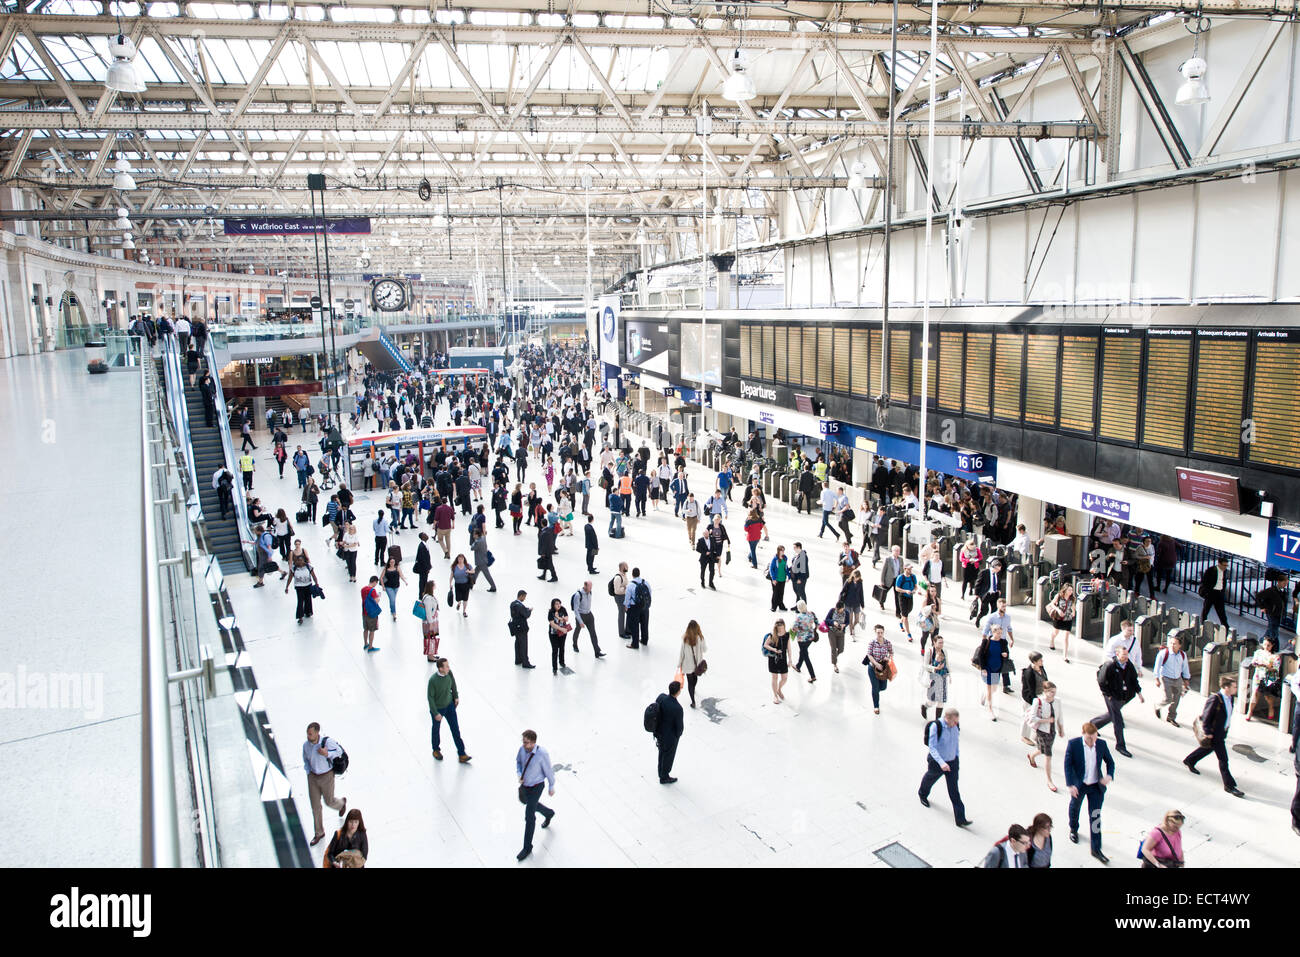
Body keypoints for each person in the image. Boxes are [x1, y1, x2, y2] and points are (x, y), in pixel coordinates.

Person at [1183, 675, 1245, 796]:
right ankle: (1229, 785)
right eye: (1234, 686)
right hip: (1215, 734)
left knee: (1207, 749)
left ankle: (1190, 760)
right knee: (1223, 759)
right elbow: (1206, 716)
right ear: (1226, 687)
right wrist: (1208, 732)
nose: (1236, 689)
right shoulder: (1215, 699)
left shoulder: (1230, 698)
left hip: (1222, 732)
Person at [1064, 722, 1115, 863]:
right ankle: (1073, 828)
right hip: (1079, 785)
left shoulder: (1101, 744)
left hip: (1095, 786)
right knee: (1075, 807)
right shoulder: (1074, 744)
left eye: (1094, 737)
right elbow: (1068, 765)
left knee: (1095, 816)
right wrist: (1070, 784)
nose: (1092, 741)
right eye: (1089, 738)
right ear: (1083, 734)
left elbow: (1110, 762)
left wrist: (1109, 776)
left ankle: (1096, 849)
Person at [918, 708, 972, 827]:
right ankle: (922, 793)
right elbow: (932, 748)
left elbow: (955, 743)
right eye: (954, 721)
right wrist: (942, 763)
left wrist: (956, 757)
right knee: (930, 778)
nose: (956, 724)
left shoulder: (955, 726)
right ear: (947, 719)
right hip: (938, 762)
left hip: (952, 762)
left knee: (954, 790)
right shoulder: (936, 727)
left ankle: (960, 818)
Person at [1093, 644, 1143, 758]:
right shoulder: (1110, 665)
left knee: (1112, 715)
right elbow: (1101, 681)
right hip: (1112, 696)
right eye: (1123, 654)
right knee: (1118, 720)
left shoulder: (1129, 665)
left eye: (1127, 654)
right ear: (1117, 654)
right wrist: (1108, 695)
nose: (1126, 656)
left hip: (1123, 696)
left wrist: (1139, 693)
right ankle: (1120, 745)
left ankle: (1093, 725)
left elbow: (1133, 680)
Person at [302, 722, 347, 847]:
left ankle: (341, 804)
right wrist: (308, 771)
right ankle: (319, 833)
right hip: (312, 777)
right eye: (307, 733)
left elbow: (339, 751)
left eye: (310, 733)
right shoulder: (306, 745)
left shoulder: (326, 742)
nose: (308, 735)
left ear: (317, 733)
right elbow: (305, 759)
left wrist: (327, 753)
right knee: (315, 806)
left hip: (326, 775)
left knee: (329, 801)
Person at [515, 729, 555, 861]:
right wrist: (519, 773)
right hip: (526, 786)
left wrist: (551, 785)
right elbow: (518, 762)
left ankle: (527, 847)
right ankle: (548, 813)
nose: (523, 745)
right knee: (529, 804)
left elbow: (548, 770)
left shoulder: (542, 754)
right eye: (523, 741)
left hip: (537, 786)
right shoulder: (522, 750)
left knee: (529, 815)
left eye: (526, 742)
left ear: (533, 743)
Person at [428, 657, 471, 763]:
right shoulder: (433, 680)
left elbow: (453, 684)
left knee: (455, 729)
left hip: (449, 706)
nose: (448, 668)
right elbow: (430, 698)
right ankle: (436, 750)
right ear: (440, 669)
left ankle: (462, 754)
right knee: (436, 730)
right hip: (438, 709)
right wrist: (435, 712)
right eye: (446, 666)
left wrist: (456, 696)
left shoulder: (449, 673)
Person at [1025, 681, 1065, 792]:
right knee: (1048, 755)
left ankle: (1032, 756)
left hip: (1052, 731)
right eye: (1051, 692)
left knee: (1043, 750)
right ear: (1045, 691)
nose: (1053, 694)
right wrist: (1046, 720)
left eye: (1054, 692)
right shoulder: (1038, 701)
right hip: (1042, 731)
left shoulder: (1057, 701)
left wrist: (1061, 728)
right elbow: (1032, 718)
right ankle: (1049, 780)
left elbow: (1060, 715)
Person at [972, 624, 1009, 721]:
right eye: (998, 633)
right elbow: (981, 655)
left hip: (997, 668)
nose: (1000, 635)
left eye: (1001, 633)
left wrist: (1005, 654)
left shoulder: (1003, 642)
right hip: (987, 668)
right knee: (989, 689)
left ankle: (984, 695)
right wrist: (983, 668)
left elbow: (1006, 652)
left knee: (994, 689)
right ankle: (990, 709)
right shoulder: (986, 641)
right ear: (993, 632)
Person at [1153, 636, 1191, 727]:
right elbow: (1157, 667)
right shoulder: (1163, 653)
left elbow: (1185, 667)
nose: (1172, 645)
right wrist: (1156, 679)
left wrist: (1186, 679)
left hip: (1177, 679)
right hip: (1166, 678)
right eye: (1171, 643)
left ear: (1179, 645)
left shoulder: (1182, 655)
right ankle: (1157, 706)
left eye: (1174, 643)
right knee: (1168, 698)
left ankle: (1171, 717)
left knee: (1176, 700)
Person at [653, 681, 685, 784]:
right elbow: (679, 727)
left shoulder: (661, 697)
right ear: (678, 692)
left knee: (661, 752)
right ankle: (664, 776)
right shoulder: (678, 708)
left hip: (659, 732)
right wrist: (677, 735)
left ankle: (660, 771)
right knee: (668, 756)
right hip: (670, 736)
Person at [1246, 635, 1282, 722]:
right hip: (1258, 676)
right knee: (1255, 694)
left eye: (1268, 645)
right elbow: (1253, 662)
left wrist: (1265, 665)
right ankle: (1249, 712)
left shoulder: (1275, 656)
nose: (1266, 647)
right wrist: (1260, 664)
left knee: (1268, 696)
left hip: (1268, 678)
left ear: (1272, 645)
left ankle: (1271, 708)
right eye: (1265, 644)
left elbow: (1276, 668)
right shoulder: (1258, 652)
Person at [863, 623, 894, 715]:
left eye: (881, 632)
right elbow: (869, 654)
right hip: (873, 668)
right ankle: (876, 706)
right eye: (878, 633)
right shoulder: (872, 643)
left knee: (883, 687)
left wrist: (888, 658)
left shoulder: (887, 643)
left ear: (883, 632)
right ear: (875, 632)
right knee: (875, 687)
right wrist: (876, 663)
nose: (880, 634)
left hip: (883, 669)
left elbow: (891, 653)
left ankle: (875, 691)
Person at [677, 620, 708, 708]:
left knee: (690, 683)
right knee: (694, 680)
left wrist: (679, 665)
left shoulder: (685, 639)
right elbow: (705, 650)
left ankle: (693, 701)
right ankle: (693, 689)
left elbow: (681, 653)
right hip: (697, 665)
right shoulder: (700, 638)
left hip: (687, 665)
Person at [764, 619, 793, 704]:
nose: (780, 630)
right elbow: (765, 645)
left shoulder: (787, 635)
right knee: (775, 678)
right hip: (773, 659)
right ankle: (775, 696)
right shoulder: (772, 635)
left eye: (782, 628)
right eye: (779, 628)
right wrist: (774, 650)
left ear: (784, 626)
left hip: (783, 659)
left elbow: (789, 648)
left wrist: (790, 659)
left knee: (784, 678)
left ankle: (779, 689)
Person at [284, 554, 320, 624]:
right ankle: (300, 617)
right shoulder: (293, 568)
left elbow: (313, 575)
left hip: (308, 585)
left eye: (301, 560)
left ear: (304, 561)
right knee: (300, 601)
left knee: (308, 599)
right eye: (298, 560)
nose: (300, 562)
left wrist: (316, 583)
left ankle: (308, 612)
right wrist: (287, 587)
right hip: (299, 587)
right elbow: (290, 578)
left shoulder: (308, 566)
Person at [920, 635, 949, 721]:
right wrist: (935, 668)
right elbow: (925, 665)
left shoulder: (944, 651)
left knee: (941, 701)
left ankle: (938, 721)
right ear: (934, 642)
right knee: (933, 700)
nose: (941, 644)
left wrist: (949, 674)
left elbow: (947, 663)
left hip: (943, 677)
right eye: (939, 643)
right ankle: (924, 706)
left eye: (942, 642)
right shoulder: (929, 651)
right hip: (933, 678)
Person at [1045, 582, 1076, 661]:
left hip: (1068, 619)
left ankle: (1064, 655)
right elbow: (1052, 604)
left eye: (1071, 590)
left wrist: (1073, 612)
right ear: (1065, 590)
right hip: (1058, 618)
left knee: (1066, 637)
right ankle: (1052, 640)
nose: (1070, 592)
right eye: (1069, 590)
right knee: (1056, 632)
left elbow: (1073, 607)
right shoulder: (1058, 596)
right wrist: (1058, 610)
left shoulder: (1072, 598)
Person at [1198, 555, 1231, 628]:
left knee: (1221, 612)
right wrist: (1208, 591)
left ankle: (1226, 627)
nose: (1225, 567)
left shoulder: (1224, 571)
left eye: (1226, 565)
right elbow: (1205, 582)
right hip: (1211, 594)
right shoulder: (1211, 570)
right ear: (1219, 563)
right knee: (1206, 610)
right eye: (1224, 565)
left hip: (1219, 594)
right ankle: (1203, 624)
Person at [791, 600, 819, 683]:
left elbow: (793, 628)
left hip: (802, 639)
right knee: (803, 652)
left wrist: (799, 629)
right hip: (810, 638)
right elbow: (817, 623)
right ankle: (798, 666)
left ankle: (813, 676)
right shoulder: (812, 613)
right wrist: (813, 629)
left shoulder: (799, 617)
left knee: (806, 656)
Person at [973, 558, 1004, 628]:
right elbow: (978, 583)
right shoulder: (984, 572)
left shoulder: (997, 574)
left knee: (994, 611)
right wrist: (977, 594)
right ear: (993, 567)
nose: (998, 571)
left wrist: (999, 590)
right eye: (997, 569)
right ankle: (978, 619)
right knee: (984, 611)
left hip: (994, 594)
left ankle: (992, 625)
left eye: (999, 569)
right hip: (986, 594)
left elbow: (998, 582)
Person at [546, 598, 573, 675]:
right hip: (553, 634)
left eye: (559, 603)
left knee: (562, 647)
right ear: (553, 605)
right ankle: (554, 668)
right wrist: (561, 627)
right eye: (556, 604)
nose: (558, 605)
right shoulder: (551, 612)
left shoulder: (563, 609)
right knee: (555, 650)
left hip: (562, 633)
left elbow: (566, 619)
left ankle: (562, 661)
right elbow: (552, 624)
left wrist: (560, 618)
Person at [510, 590, 534, 669]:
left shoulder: (513, 604)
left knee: (517, 643)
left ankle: (518, 659)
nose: (524, 598)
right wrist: (530, 611)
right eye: (524, 597)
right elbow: (526, 615)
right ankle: (525, 662)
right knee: (523, 645)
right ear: (521, 596)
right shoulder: (520, 606)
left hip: (515, 627)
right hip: (522, 628)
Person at [894, 562, 917, 642]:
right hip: (902, 597)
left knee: (909, 610)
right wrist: (905, 591)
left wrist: (914, 590)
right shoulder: (900, 577)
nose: (910, 570)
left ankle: (901, 621)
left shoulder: (913, 577)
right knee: (905, 616)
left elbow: (916, 586)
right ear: (905, 569)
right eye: (909, 569)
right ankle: (909, 634)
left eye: (911, 569)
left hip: (910, 597)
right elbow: (897, 588)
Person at [824, 602, 847, 674]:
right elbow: (826, 620)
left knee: (841, 649)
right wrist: (833, 622)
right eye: (837, 609)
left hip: (841, 632)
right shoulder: (832, 610)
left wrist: (844, 625)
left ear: (843, 608)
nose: (837, 610)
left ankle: (834, 657)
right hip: (832, 632)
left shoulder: (846, 613)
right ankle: (835, 664)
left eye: (839, 609)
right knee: (833, 648)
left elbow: (848, 621)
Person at [360, 576, 382, 652]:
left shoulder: (363, 589)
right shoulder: (372, 590)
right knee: (372, 631)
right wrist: (379, 597)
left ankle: (365, 643)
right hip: (372, 613)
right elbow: (376, 601)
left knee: (365, 629)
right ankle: (370, 646)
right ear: (375, 582)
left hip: (364, 612)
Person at [420, 581, 440, 661]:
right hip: (429, 622)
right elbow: (428, 612)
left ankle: (431, 655)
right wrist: (431, 623)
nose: (435, 586)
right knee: (430, 638)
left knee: (431, 638)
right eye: (434, 585)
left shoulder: (428, 596)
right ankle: (430, 656)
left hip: (431, 621)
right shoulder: (428, 598)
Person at [878, 545, 902, 611]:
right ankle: (881, 602)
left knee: (897, 596)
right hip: (888, 579)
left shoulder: (900, 559)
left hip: (897, 579)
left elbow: (901, 570)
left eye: (899, 551)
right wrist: (882, 581)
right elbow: (883, 570)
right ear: (893, 551)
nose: (898, 552)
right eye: (896, 551)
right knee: (884, 592)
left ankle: (898, 611)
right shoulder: (888, 559)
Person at [449, 553, 473, 618]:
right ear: (457, 559)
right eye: (459, 559)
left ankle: (464, 611)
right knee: (458, 598)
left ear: (464, 559)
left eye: (462, 559)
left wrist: (469, 571)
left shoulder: (467, 565)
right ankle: (459, 603)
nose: (460, 560)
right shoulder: (454, 567)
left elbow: (473, 571)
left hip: (466, 584)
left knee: (465, 599)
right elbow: (451, 575)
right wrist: (450, 583)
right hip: (458, 585)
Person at [767, 545, 789, 611]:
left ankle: (781, 605)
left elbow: (786, 568)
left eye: (783, 550)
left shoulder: (785, 558)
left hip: (783, 578)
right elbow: (771, 569)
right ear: (778, 551)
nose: (783, 552)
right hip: (776, 579)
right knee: (775, 593)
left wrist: (789, 576)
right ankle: (773, 606)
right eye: (781, 550)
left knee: (781, 593)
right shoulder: (775, 559)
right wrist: (773, 579)